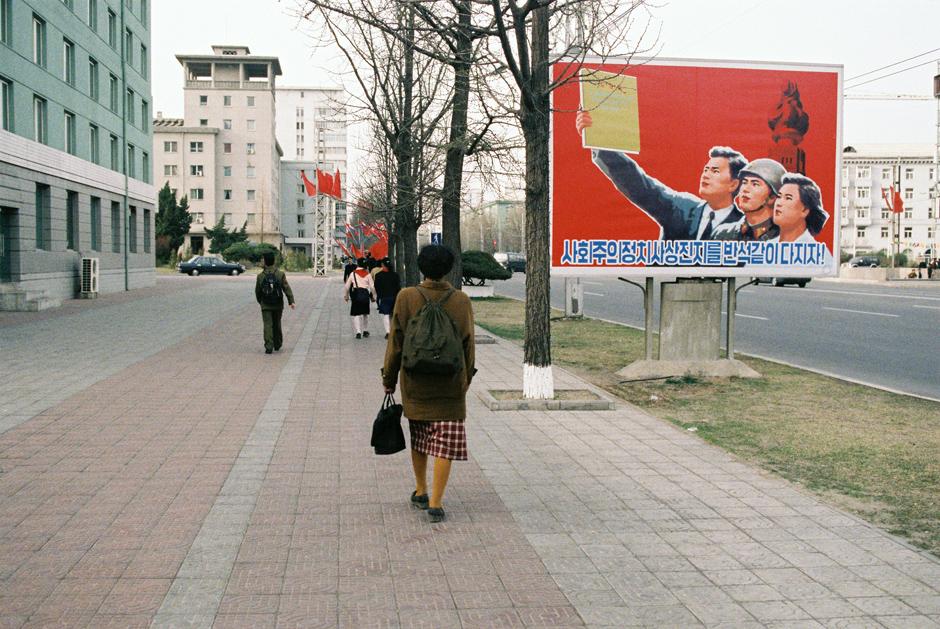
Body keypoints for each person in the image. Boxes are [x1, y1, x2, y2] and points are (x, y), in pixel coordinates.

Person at [382, 244, 476, 523]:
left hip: (416, 381)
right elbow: (468, 344)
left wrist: (389, 378)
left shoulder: (406, 296)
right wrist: (466, 379)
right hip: (450, 384)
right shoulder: (461, 300)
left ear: (421, 267)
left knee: (420, 437)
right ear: (448, 269)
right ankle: (436, 503)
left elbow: (395, 342)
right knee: (445, 443)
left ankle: (421, 490)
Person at [576, 110, 746, 240]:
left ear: (734, 184)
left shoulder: (745, 227)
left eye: (715, 171)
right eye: (706, 169)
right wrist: (596, 138)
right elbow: (638, 184)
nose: (706, 175)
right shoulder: (681, 207)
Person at [713, 158, 786, 241]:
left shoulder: (786, 236)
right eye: (744, 182)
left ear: (772, 197)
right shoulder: (722, 234)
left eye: (755, 184)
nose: (745, 189)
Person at [770, 173, 829, 244]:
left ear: (805, 210)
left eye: (788, 198)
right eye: (779, 197)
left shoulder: (812, 248)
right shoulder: (767, 245)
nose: (778, 203)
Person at [255, 251, 295, 354]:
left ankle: (269, 346)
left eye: (262, 260)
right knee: (277, 324)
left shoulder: (260, 276)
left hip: (266, 305)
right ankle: (277, 344)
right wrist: (291, 301)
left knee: (268, 325)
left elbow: (258, 292)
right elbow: (286, 288)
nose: (261, 261)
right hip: (278, 304)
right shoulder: (280, 274)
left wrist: (261, 302)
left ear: (266, 262)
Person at [344, 257, 376, 339]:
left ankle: (358, 332)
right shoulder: (368, 274)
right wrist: (373, 296)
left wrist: (346, 295)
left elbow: (347, 286)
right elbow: (372, 287)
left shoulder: (353, 274)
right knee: (365, 314)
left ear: (357, 264)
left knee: (356, 314)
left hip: (356, 294)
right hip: (365, 294)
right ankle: (365, 330)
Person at [373, 257, 401, 339]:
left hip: (384, 297)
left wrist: (377, 296)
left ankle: (388, 332)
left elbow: (376, 287)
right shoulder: (395, 275)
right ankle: (393, 330)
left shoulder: (378, 275)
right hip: (394, 297)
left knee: (386, 314)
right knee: (392, 314)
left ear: (382, 265)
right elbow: (398, 287)